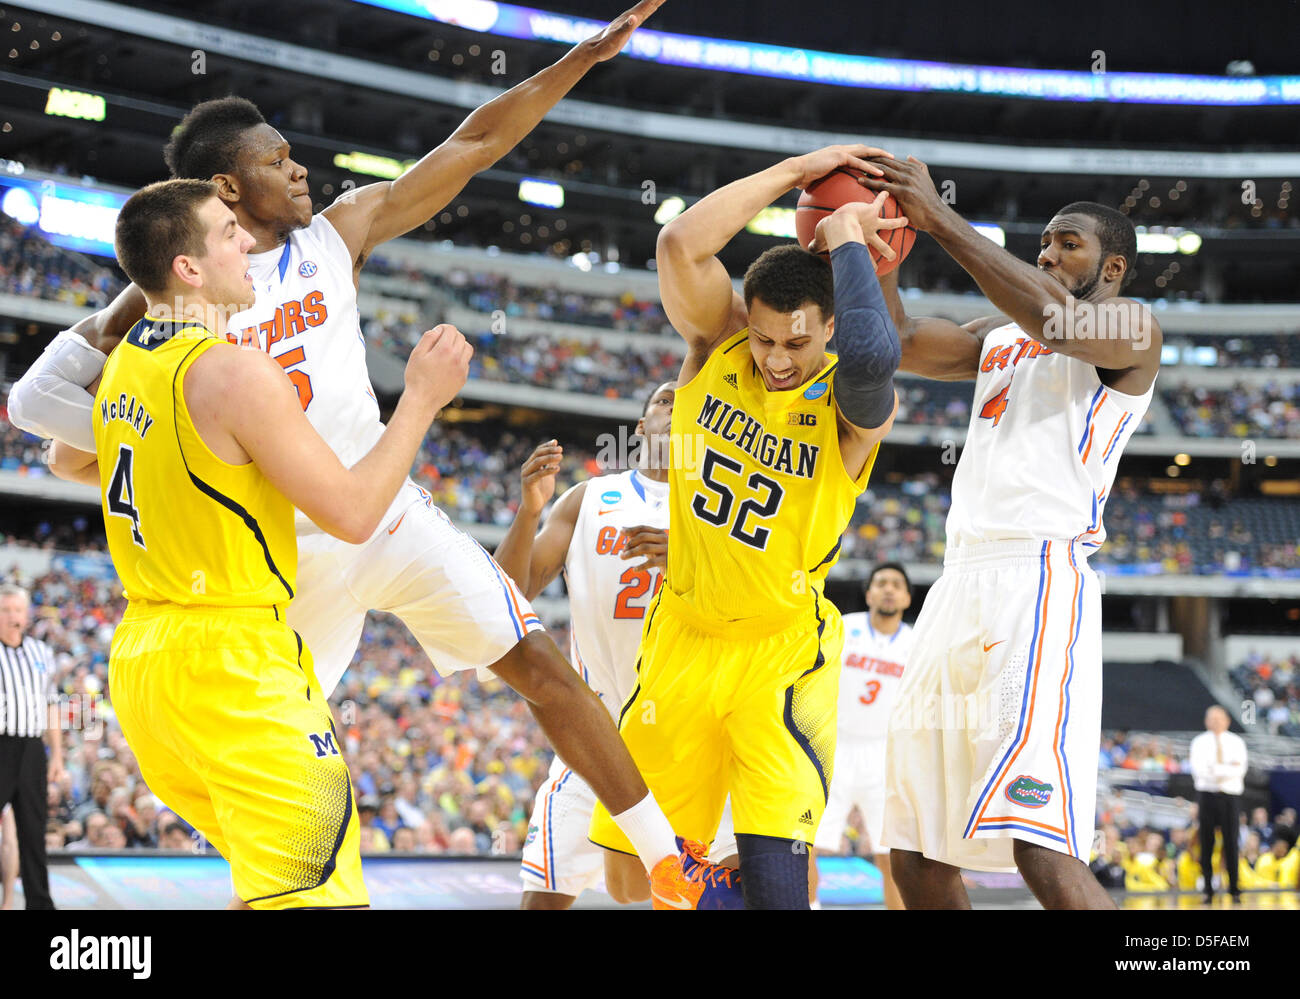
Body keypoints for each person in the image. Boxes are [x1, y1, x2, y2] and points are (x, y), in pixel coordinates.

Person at [23, 3, 730, 904]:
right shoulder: (170, 291)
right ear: (226, 193)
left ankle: (667, 856)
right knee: (292, 800)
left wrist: (579, 59)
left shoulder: (337, 233)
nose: (299, 166)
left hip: (385, 507)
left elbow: (471, 145)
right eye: (276, 159)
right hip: (284, 556)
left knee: (538, 661)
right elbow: (62, 431)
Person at [51, 177, 471, 906]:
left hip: (148, 668)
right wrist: (423, 398)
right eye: (226, 233)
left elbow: (65, 458)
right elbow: (352, 513)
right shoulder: (232, 370)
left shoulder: (124, 365)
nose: (248, 241)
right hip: (234, 665)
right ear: (188, 268)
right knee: (316, 894)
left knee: (267, 887)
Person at [588, 143, 909, 909]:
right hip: (685, 641)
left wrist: (844, 241)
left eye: (798, 342)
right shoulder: (716, 345)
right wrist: (802, 170)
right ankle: (715, 890)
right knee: (630, 881)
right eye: (765, 338)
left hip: (781, 655)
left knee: (780, 887)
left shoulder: (851, 405)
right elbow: (679, 244)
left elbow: (872, 355)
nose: (776, 358)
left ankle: (754, 890)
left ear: (827, 327)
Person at [867, 157, 1162, 910]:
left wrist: (939, 219)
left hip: (1039, 580)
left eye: (1068, 244)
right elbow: (895, 340)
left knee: (1039, 846)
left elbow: (1057, 323)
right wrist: (883, 261)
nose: (1048, 254)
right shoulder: (998, 336)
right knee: (915, 851)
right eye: (1044, 244)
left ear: (1113, 265)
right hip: (957, 582)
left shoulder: (1133, 327)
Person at [495, 383, 739, 908]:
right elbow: (511, 592)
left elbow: (760, 608)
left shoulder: (726, 506)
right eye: (663, 399)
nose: (675, 405)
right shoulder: (589, 498)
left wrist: (695, 564)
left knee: (698, 894)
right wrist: (528, 513)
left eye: (688, 401)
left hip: (695, 734)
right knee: (545, 899)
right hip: (598, 732)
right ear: (640, 427)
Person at [811, 562, 913, 909]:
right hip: (833, 745)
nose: (888, 589)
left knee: (892, 850)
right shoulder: (843, 627)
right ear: (868, 592)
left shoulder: (916, 644)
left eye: (896, 584)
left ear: (907, 597)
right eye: (881, 582)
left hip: (883, 753)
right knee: (810, 842)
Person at [0, 583, 65, 909]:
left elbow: (51, 704)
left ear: (27, 614)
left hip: (31, 749)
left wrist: (57, 756)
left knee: (33, 830)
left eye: (18, 610)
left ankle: (40, 904)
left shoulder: (42, 652)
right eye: (6, 610)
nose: (13, 616)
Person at [1189, 705, 1247, 902]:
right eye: (1212, 718)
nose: (1215, 722)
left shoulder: (1236, 742)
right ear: (1206, 721)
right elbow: (1199, 771)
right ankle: (1207, 888)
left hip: (1230, 797)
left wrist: (1215, 769)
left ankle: (1234, 888)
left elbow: (1239, 770)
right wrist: (1225, 769)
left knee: (1231, 842)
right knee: (1206, 843)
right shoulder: (1199, 742)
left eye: (1219, 718)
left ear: (1227, 720)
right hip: (1206, 796)